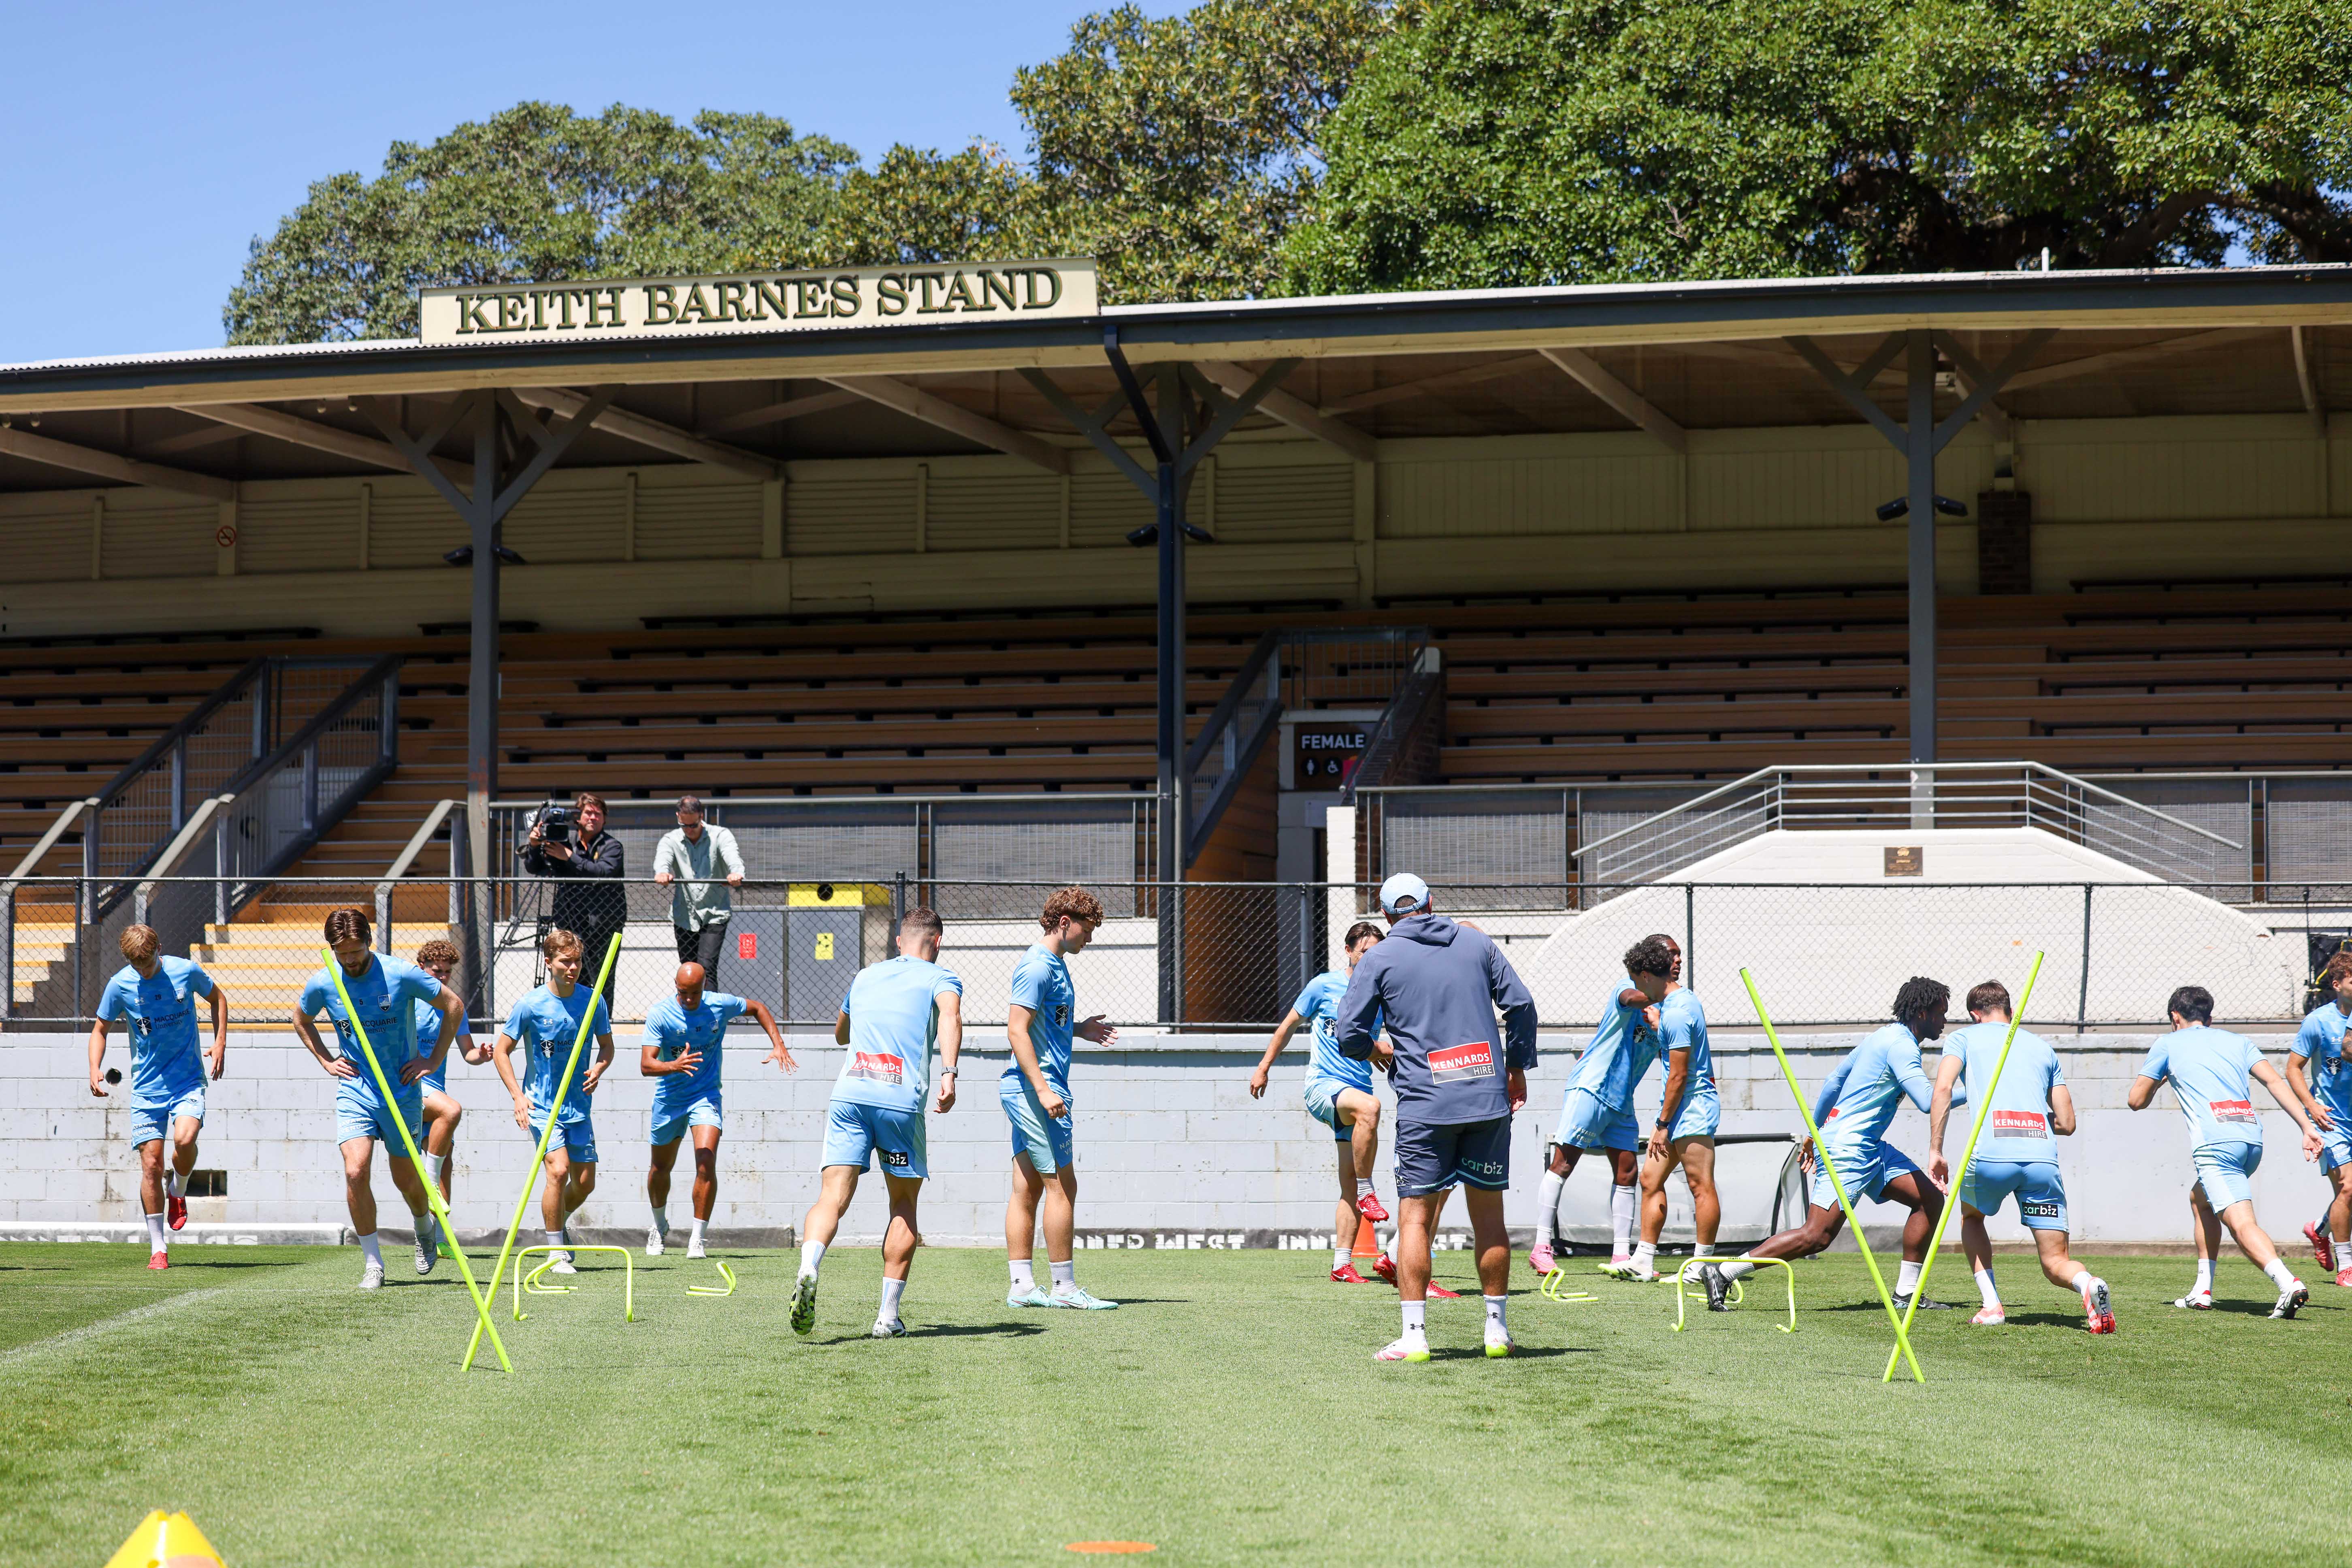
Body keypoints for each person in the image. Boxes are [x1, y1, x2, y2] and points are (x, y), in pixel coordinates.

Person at [1336, 872, 1537, 1363]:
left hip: (1427, 1106)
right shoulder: (1476, 943)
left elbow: (1348, 1032)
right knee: (1489, 1217)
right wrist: (1515, 1068)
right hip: (1487, 1098)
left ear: (1386, 916)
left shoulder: (1380, 956)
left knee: (1416, 1218)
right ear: (1431, 903)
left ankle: (1415, 1335)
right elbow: (1522, 1004)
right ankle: (1496, 1330)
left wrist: (1376, 1048)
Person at [1694, 978, 1953, 1316]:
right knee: (1817, 1236)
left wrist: (1816, 1132)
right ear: (1922, 1012)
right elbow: (1927, 1100)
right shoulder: (1902, 1046)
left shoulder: (1882, 1036)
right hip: (1850, 1148)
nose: (1945, 1021)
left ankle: (1906, 1293)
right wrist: (1976, 1093)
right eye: (1941, 1013)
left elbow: (1834, 1082)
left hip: (1868, 1147)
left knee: (1929, 1198)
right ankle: (1723, 1270)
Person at [792, 907, 964, 1338]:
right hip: (899, 1102)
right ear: (937, 942)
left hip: (850, 1094)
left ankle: (810, 1266)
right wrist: (949, 1072)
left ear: (900, 942)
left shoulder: (866, 976)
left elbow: (841, 1033)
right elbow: (950, 1015)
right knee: (903, 1204)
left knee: (831, 1196)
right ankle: (887, 1318)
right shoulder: (942, 978)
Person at [292, 908, 466, 1289]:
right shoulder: (324, 982)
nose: (351, 960)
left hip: (402, 1091)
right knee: (356, 1171)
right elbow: (301, 1020)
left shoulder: (401, 974)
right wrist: (326, 1060)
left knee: (408, 1181)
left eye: (356, 951)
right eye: (343, 953)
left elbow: (454, 1006)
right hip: (356, 1089)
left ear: (369, 942)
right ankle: (373, 1263)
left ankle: (424, 1227)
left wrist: (432, 1059)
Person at [1926, 980, 2113, 1333]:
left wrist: (1936, 1149)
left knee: (1972, 1219)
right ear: (2010, 1011)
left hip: (1991, 1155)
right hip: (2042, 1159)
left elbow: (1944, 1089)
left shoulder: (1963, 1038)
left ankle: (1992, 1305)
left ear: (1973, 1014)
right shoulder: (2043, 1048)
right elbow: (2068, 1123)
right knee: (2056, 1261)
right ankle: (2087, 1283)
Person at [2128, 983, 2323, 1318]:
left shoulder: (2167, 1043)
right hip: (2250, 1141)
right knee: (2200, 1200)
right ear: (2210, 1017)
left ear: (2175, 1017)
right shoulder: (2238, 1041)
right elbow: (2276, 1082)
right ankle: (2202, 1290)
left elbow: (2135, 1101)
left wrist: (2161, 1076)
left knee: (2241, 1223)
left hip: (2216, 1145)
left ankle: (2287, 1282)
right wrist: (2307, 1126)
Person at [1248, 920, 1394, 1284]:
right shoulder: (1324, 986)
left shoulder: (1384, 994)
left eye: (1378, 954)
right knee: (1372, 1109)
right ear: (1349, 951)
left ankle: (1342, 1264)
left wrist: (1386, 1050)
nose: (1371, 959)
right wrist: (1263, 1068)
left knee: (1347, 1182)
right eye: (1365, 952)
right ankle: (1368, 1190)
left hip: (1356, 1094)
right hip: (1323, 1088)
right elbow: (1286, 1027)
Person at [1002, 885, 1120, 1310]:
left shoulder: (1056, 964)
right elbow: (1016, 1029)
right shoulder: (1036, 966)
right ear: (1065, 922)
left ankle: (1022, 1287)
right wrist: (1044, 1089)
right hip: (1036, 1090)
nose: (1089, 938)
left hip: (1032, 1089)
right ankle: (1065, 1289)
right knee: (1062, 1186)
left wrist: (1080, 1028)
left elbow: (1041, 1025)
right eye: (1087, 930)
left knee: (1027, 1186)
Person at [89, 923, 227, 1271]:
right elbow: (100, 1029)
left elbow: (218, 999)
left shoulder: (186, 971)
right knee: (151, 1165)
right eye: (137, 966)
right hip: (147, 1090)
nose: (144, 970)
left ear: (159, 949)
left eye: (148, 963)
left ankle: (178, 1190)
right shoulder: (120, 984)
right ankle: (158, 1247)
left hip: (187, 1080)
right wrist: (94, 1068)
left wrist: (221, 1040)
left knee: (185, 1138)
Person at [1530, 939, 1667, 1277]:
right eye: (1671, 955)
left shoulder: (1667, 1012)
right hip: (1592, 1088)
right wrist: (1661, 999)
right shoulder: (1631, 989)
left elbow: (1673, 1053)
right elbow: (1630, 999)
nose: (1677, 961)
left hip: (1622, 1100)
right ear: (1649, 969)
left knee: (1627, 1173)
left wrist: (1664, 1021)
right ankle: (1541, 1247)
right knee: (1564, 1164)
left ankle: (1622, 1256)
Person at [640, 960, 793, 1259]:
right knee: (660, 1168)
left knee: (705, 1161)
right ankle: (659, 1227)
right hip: (670, 1099)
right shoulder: (661, 1014)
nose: (688, 999)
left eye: (694, 993)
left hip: (705, 1097)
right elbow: (647, 1064)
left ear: (704, 987)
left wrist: (778, 1043)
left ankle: (698, 1239)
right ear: (677, 988)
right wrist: (674, 1065)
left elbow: (758, 1008)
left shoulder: (719, 1005)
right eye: (683, 993)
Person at [493, 927, 616, 1277]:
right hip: (543, 1106)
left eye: (577, 961)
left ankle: (556, 1222)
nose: (573, 968)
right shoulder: (530, 1004)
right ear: (549, 962)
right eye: (566, 962)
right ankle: (555, 1251)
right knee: (558, 1171)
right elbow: (502, 1051)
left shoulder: (594, 1000)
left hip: (579, 1107)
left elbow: (607, 1047)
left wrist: (599, 1068)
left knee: (586, 1182)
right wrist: (518, 1096)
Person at [1623, 936, 1721, 1285]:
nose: (1636, 987)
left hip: (1691, 1108)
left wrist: (1662, 1124)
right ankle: (1643, 1260)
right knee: (1650, 1179)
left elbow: (1679, 1075)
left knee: (1700, 1185)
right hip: (1678, 1109)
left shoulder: (1677, 1012)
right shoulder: (1676, 1006)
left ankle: (1702, 1265)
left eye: (1636, 981)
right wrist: (1657, 1025)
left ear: (1647, 975)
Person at [2286, 950, 2352, 1290]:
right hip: (2332, 1121)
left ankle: (2320, 1229)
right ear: (2338, 984)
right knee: (2349, 1187)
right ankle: (2347, 1265)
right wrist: (2311, 1106)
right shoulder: (2317, 1021)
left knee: (2350, 1195)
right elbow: (2292, 1068)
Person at [523, 791, 625, 1007]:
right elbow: (535, 867)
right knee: (571, 976)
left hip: (604, 925)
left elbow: (603, 872)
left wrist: (569, 857)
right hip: (570, 924)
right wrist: (533, 846)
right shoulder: (563, 842)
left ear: (604, 819)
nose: (593, 818)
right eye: (588, 813)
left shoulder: (613, 847)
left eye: (598, 814)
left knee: (602, 981)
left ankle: (600, 1029)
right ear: (577, 818)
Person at [411, 938, 487, 1223]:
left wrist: (481, 1054)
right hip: (408, 1087)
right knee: (451, 1110)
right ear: (422, 969)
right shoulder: (407, 1001)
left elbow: (468, 1053)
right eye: (436, 971)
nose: (442, 977)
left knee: (446, 1162)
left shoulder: (453, 1006)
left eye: (447, 972)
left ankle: (438, 1236)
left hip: (435, 1090)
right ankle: (428, 1183)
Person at [652, 795, 745, 978]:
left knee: (706, 968)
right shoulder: (671, 839)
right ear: (678, 817)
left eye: (693, 825)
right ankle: (688, 1008)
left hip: (715, 912)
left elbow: (732, 857)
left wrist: (736, 873)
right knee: (688, 971)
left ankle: (709, 1008)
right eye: (684, 826)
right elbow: (662, 860)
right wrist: (662, 873)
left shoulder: (720, 835)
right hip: (684, 915)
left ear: (701, 817)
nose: (689, 830)